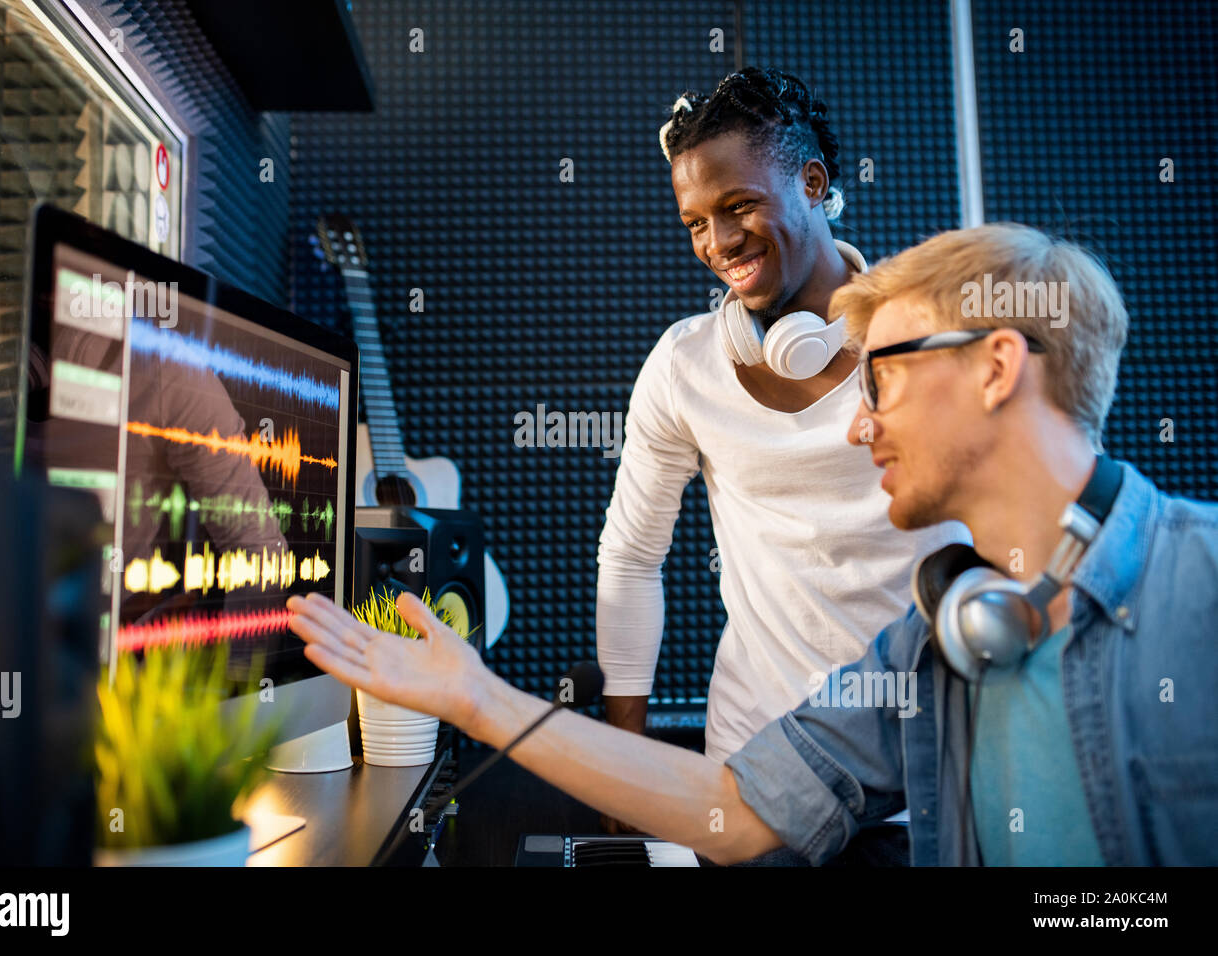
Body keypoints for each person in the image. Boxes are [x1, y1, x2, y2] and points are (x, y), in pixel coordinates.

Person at [288, 222, 1218, 865]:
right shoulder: (934, 646)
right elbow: (733, 812)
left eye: (882, 380)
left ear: (996, 367)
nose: (858, 428)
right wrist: (480, 700)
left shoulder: (1202, 587)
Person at [596, 65, 967, 804]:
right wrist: (622, 762)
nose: (719, 242)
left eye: (738, 206)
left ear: (814, 183)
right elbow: (632, 557)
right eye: (696, 222)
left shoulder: (931, 333)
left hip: (927, 759)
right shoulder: (684, 365)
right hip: (759, 766)